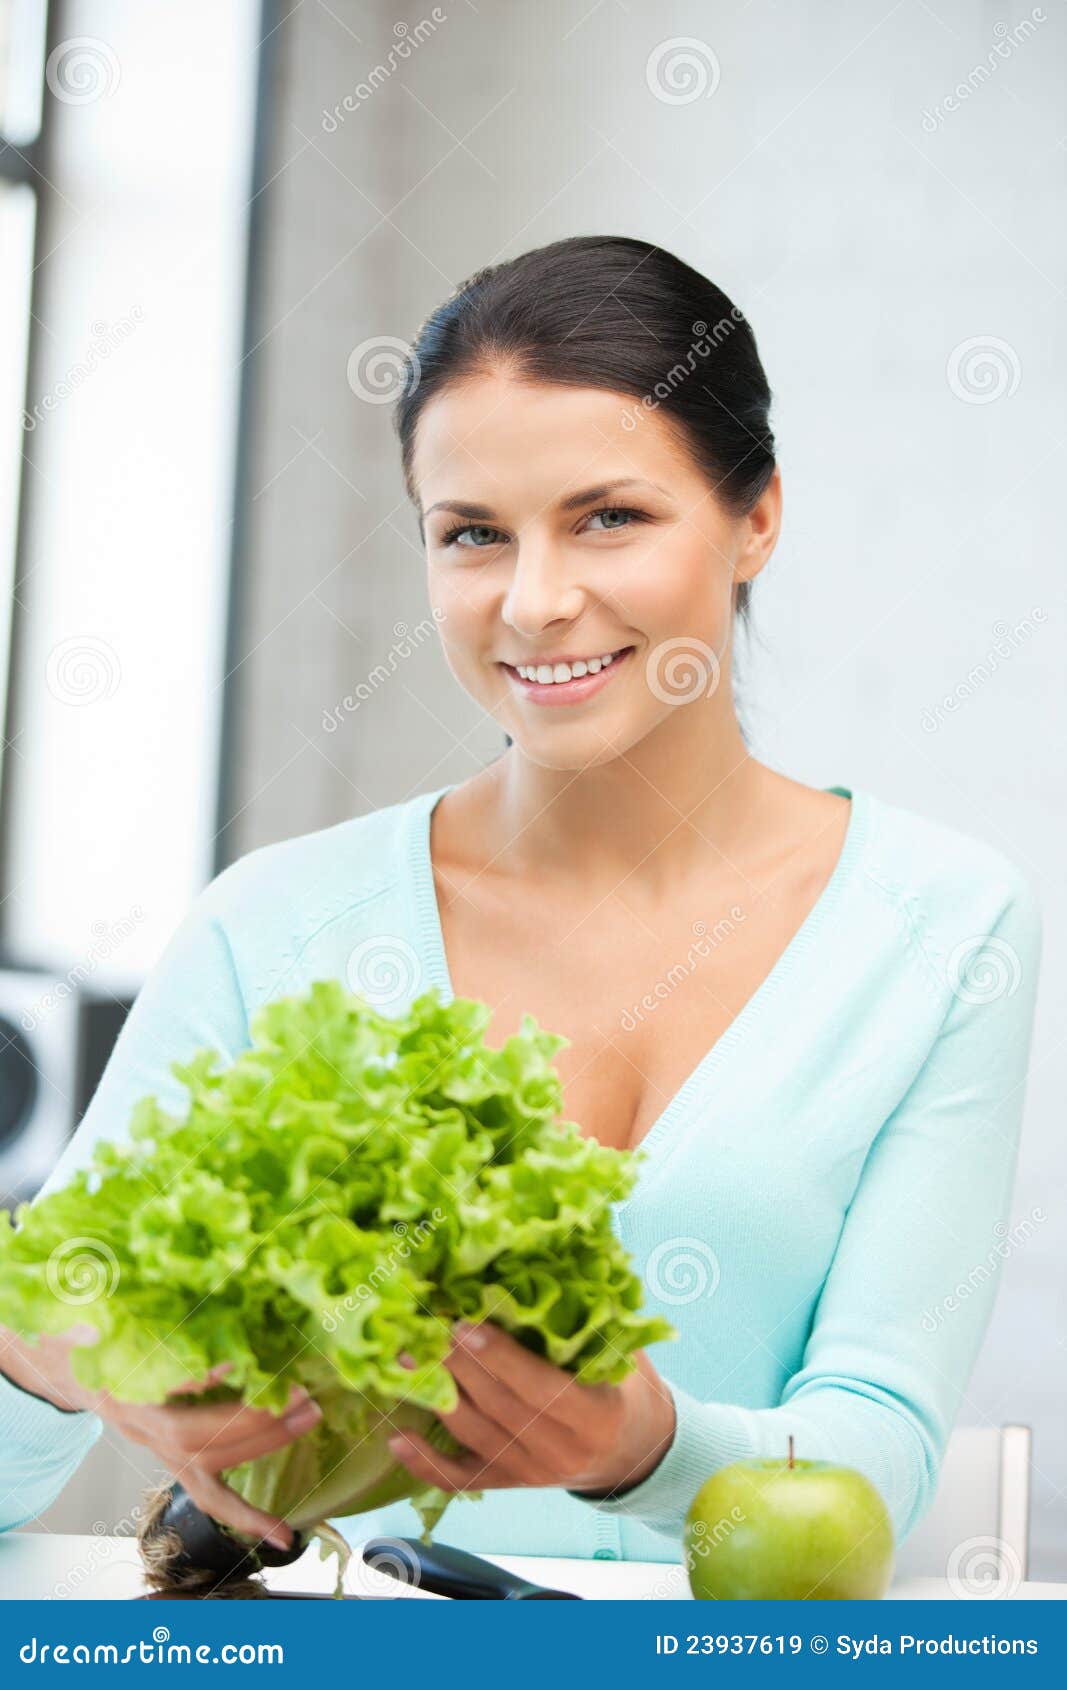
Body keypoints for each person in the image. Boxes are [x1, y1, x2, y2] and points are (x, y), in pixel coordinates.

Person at [0, 236, 1042, 1568]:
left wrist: (643, 1449)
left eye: (610, 515)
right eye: (474, 534)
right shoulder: (275, 925)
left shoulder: (945, 923)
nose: (538, 601)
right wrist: (55, 1351)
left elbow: (873, 1454)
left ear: (757, 518)